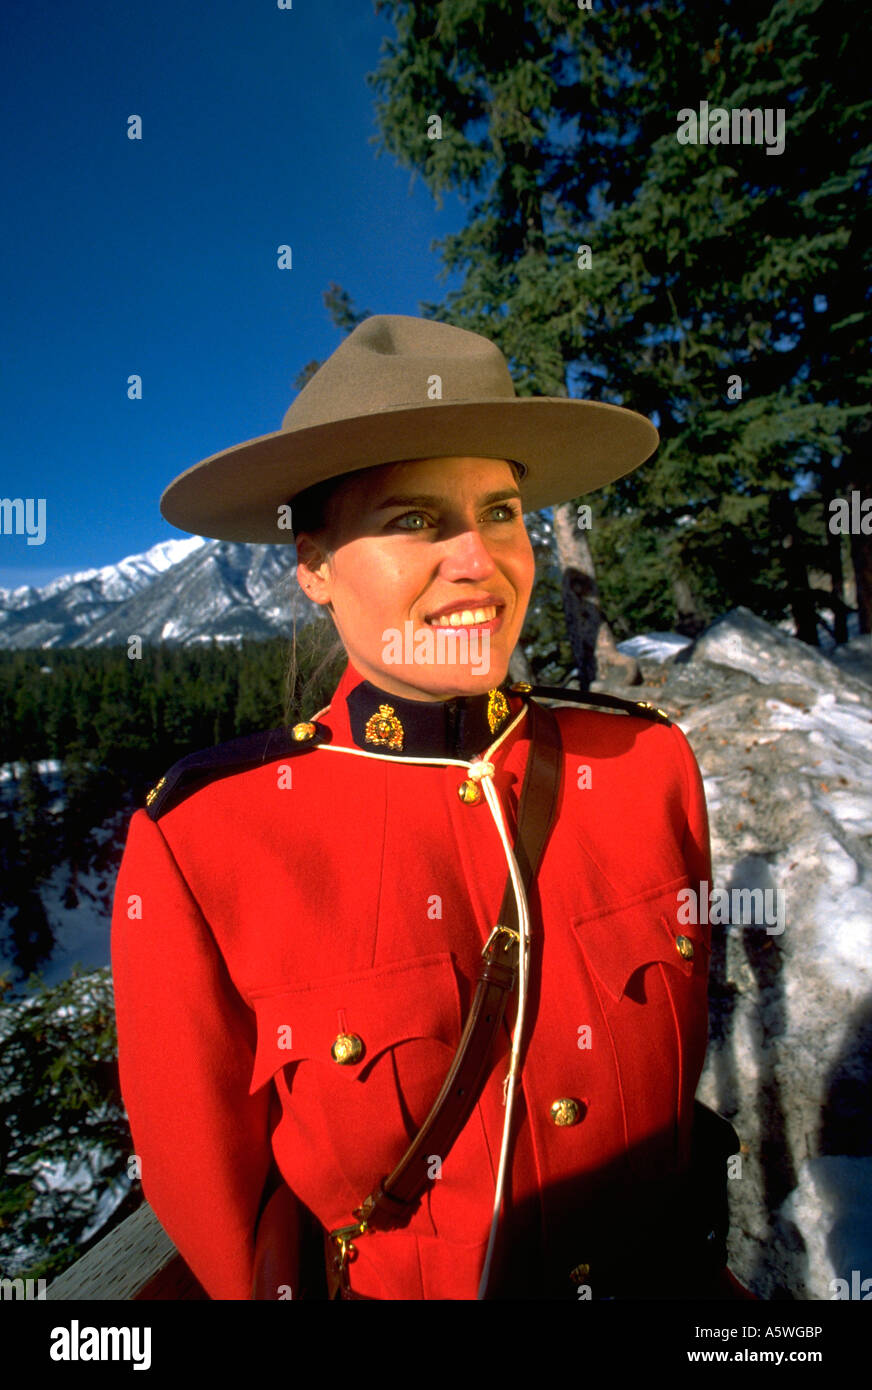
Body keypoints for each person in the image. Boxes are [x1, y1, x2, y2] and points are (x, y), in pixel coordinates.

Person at [111, 313, 747, 1301]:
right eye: (412, 520)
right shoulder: (207, 842)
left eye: (498, 510)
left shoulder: (641, 768)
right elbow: (226, 1231)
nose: (476, 559)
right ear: (313, 566)